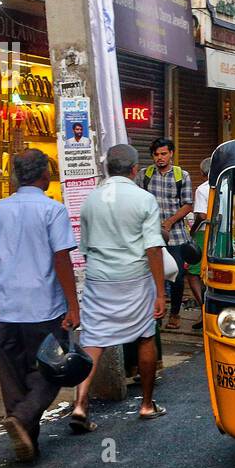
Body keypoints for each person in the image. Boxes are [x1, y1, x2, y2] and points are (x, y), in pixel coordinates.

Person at [0, 149, 80, 462]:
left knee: (13, 375)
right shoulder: (53, 210)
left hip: (4, 307)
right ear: (45, 175)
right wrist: (73, 305)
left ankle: (25, 441)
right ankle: (23, 418)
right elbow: (62, 260)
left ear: (18, 176)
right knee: (52, 371)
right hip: (43, 306)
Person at [73, 144, 167, 428]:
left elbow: (86, 248)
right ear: (135, 170)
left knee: (93, 339)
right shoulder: (144, 199)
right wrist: (160, 292)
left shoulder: (90, 199)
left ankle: (79, 404)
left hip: (99, 278)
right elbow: (153, 247)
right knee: (145, 336)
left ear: (107, 169)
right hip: (134, 279)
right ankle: (147, 404)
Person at [142, 138, 194, 332]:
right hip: (150, 235)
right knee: (152, 274)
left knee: (177, 276)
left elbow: (188, 204)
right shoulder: (144, 175)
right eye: (156, 154)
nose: (160, 158)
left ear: (171, 153)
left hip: (176, 236)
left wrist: (169, 222)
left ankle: (175, 313)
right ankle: (155, 314)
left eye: (163, 154)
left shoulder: (182, 175)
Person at [185, 157, 212, 330]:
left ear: (202, 174)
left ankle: (204, 309)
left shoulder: (202, 189)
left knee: (193, 272)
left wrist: (192, 231)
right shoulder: (226, 184)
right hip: (222, 233)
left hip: (204, 233)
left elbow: (201, 216)